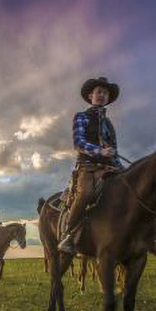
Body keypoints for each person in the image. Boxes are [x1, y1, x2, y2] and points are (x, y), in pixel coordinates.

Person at [58, 77, 122, 254]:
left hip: (109, 169)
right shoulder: (81, 117)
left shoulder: (109, 125)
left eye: (105, 93)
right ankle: (69, 235)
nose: (102, 95)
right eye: (99, 92)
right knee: (86, 193)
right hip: (87, 167)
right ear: (90, 96)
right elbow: (79, 143)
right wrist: (99, 151)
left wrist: (123, 171)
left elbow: (114, 152)